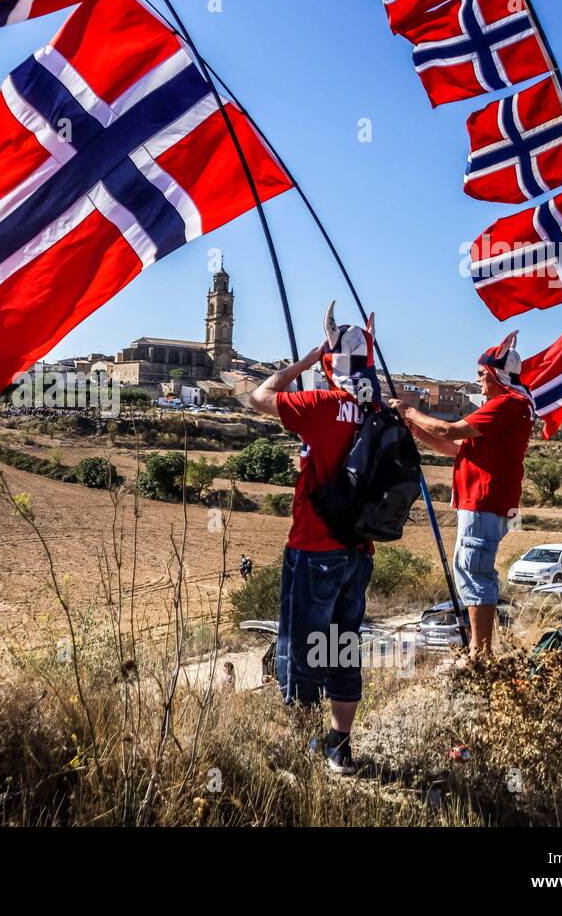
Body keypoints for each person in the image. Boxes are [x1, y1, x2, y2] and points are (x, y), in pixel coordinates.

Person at [243, 302, 378, 776]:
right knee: (343, 647)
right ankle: (339, 749)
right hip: (359, 552)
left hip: (315, 549)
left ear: (329, 360)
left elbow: (258, 397)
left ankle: (303, 758)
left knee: (302, 649)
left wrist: (303, 363)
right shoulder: (377, 408)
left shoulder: (321, 406)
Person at [389, 333, 534, 660]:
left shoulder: (508, 405)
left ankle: (479, 652)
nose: (478, 379)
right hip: (486, 500)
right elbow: (455, 449)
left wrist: (409, 412)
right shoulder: (509, 408)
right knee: (472, 569)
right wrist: (416, 430)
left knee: (473, 570)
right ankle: (479, 647)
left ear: (497, 376)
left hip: (484, 500)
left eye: (482, 373)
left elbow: (450, 431)